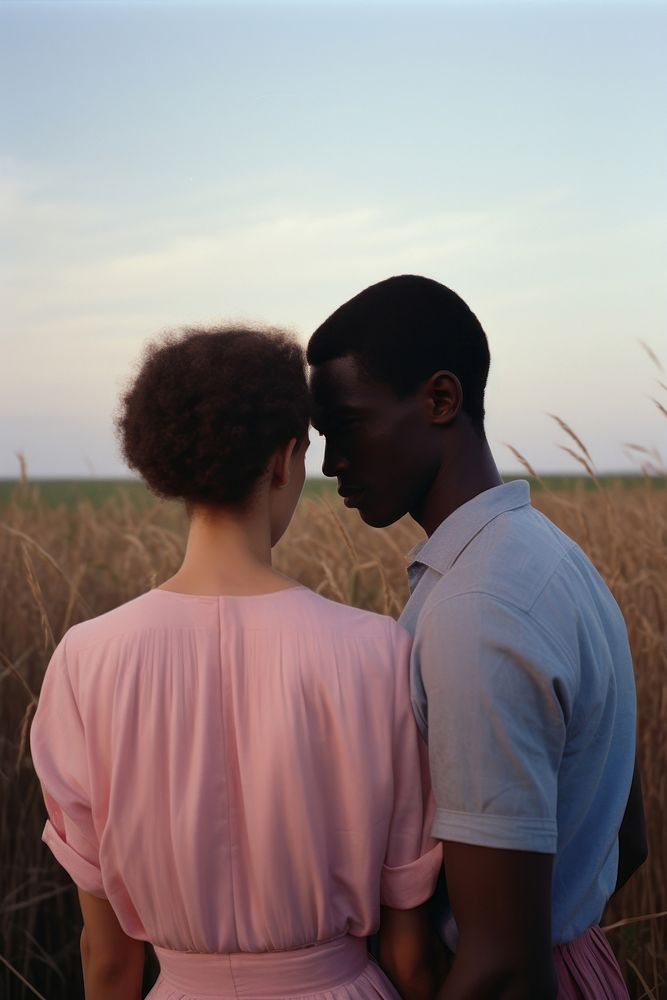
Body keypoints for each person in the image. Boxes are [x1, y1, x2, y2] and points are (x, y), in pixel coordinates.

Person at [30, 324, 446, 1000]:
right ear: (283, 460)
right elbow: (410, 952)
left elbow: (107, 961)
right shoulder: (378, 650)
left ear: (168, 467)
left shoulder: (85, 659)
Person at [307, 275, 647, 1000]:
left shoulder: (479, 608)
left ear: (440, 400)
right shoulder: (552, 559)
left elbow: (501, 965)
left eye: (348, 425)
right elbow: (628, 837)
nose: (331, 462)